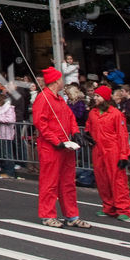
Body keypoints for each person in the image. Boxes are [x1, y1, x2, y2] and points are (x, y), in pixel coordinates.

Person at [33, 67, 88, 228]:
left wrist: (75, 132)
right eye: (61, 78)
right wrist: (56, 141)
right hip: (52, 147)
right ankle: (48, 215)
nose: (63, 81)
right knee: (50, 182)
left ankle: (71, 215)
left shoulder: (58, 98)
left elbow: (70, 117)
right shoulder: (44, 98)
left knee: (68, 182)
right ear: (56, 81)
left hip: (64, 145)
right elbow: (40, 123)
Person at [86, 85, 130, 220]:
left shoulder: (116, 114)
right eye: (95, 96)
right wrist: (87, 135)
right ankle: (108, 207)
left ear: (105, 98)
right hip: (98, 150)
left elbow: (122, 135)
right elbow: (89, 127)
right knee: (102, 180)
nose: (95, 98)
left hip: (113, 150)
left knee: (117, 181)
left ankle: (123, 209)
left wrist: (124, 155)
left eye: (98, 96)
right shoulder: (93, 112)